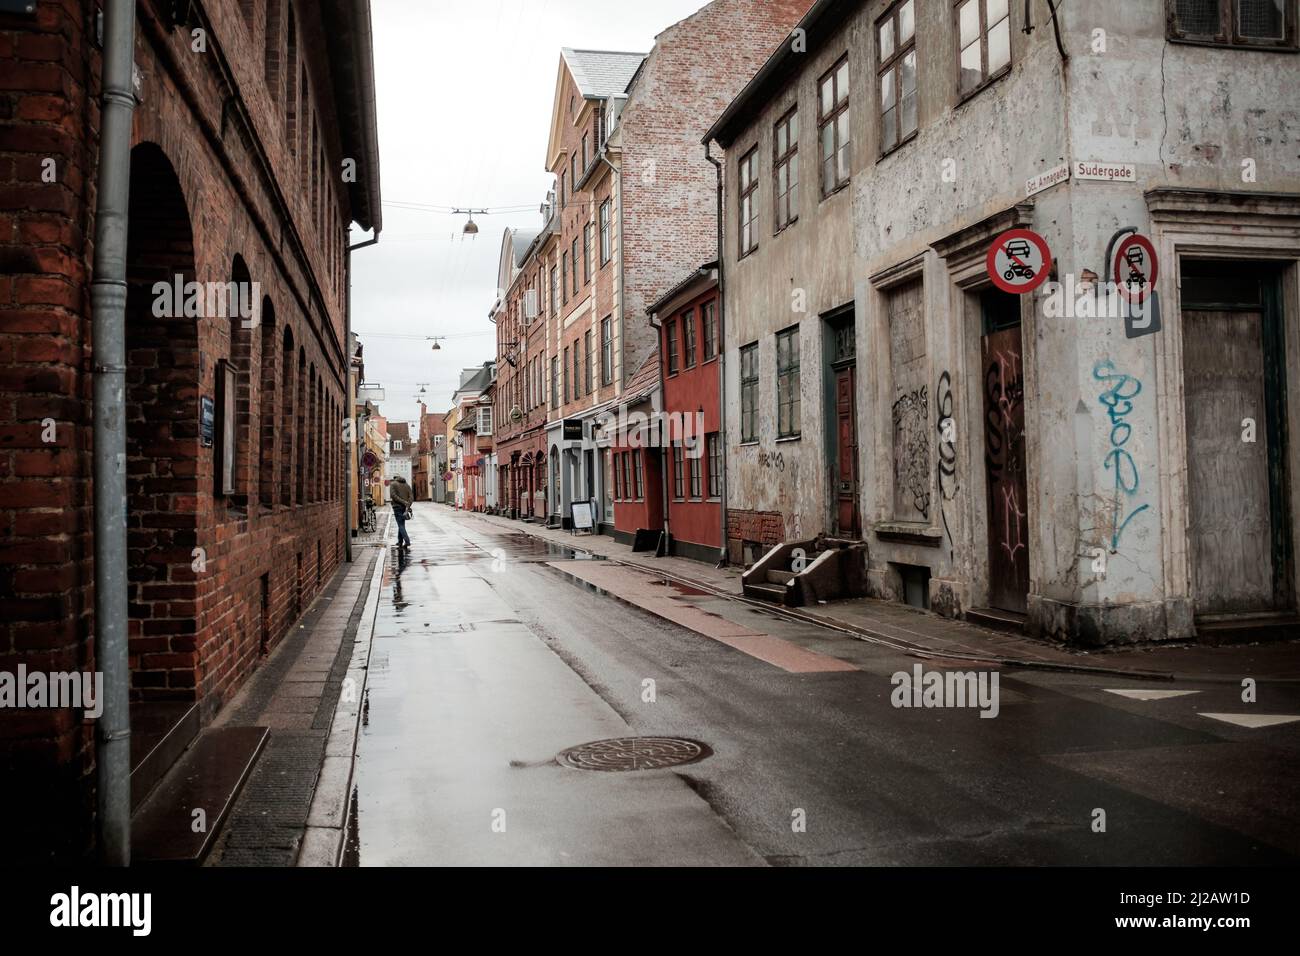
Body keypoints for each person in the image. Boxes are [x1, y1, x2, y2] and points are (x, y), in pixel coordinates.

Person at [390, 475, 414, 549]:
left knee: (400, 525)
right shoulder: (407, 485)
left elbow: (393, 496)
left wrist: (403, 502)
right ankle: (400, 542)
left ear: (395, 479)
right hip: (404, 508)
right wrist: (408, 505)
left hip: (397, 507)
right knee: (401, 524)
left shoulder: (393, 484)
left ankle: (407, 541)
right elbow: (411, 497)